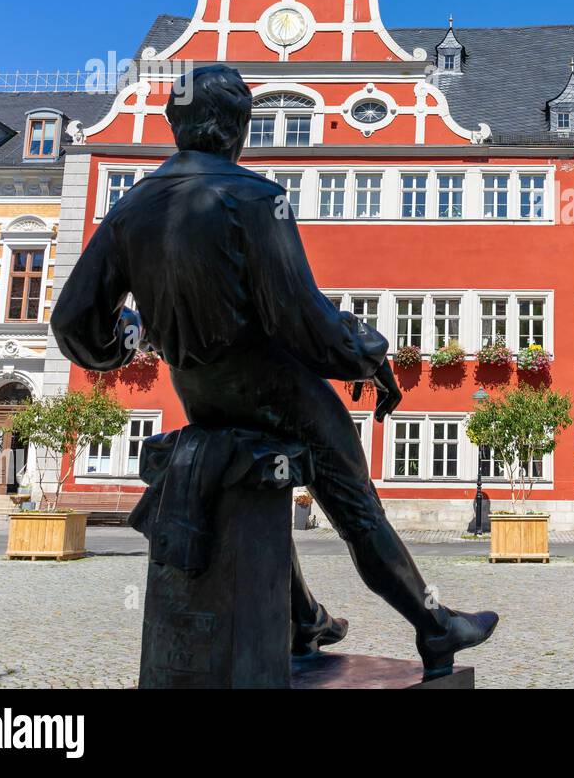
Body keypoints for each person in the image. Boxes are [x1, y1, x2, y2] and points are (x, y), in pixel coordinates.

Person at [51, 64, 497, 678]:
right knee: (357, 510)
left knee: (258, 492)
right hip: (275, 386)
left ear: (174, 124)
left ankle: (303, 619)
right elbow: (301, 319)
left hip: (199, 392)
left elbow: (72, 322)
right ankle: (434, 626)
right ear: (240, 129)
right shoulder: (258, 198)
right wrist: (367, 354)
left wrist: (129, 338)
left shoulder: (132, 206)